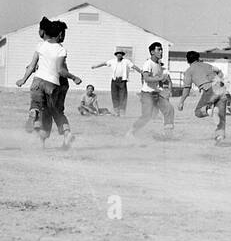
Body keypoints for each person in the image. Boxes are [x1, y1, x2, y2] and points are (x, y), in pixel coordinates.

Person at [15, 17, 81, 149]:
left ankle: (34, 114)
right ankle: (64, 134)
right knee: (55, 111)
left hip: (37, 81)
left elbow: (32, 66)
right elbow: (61, 70)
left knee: (38, 107)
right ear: (60, 34)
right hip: (53, 84)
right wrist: (74, 77)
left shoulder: (40, 45)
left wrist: (23, 80)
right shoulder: (61, 49)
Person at [179, 50, 231, 143]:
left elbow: (186, 89)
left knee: (198, 112)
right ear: (198, 59)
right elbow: (220, 72)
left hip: (210, 90)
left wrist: (181, 101)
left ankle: (210, 110)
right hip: (222, 88)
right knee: (221, 117)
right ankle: (220, 137)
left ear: (187, 61)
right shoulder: (207, 65)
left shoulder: (189, 71)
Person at [129, 41, 175, 139]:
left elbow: (158, 80)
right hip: (147, 94)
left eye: (161, 49)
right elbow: (146, 78)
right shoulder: (148, 64)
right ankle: (131, 132)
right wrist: (160, 78)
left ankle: (168, 135)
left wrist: (165, 88)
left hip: (156, 94)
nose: (161, 52)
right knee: (147, 116)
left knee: (169, 109)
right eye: (159, 49)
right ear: (152, 52)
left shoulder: (158, 65)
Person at [91, 49, 139, 116]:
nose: (119, 55)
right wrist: (96, 66)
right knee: (114, 96)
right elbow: (104, 63)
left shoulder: (126, 61)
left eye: (120, 54)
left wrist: (141, 72)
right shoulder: (112, 61)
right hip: (114, 80)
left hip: (122, 80)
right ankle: (116, 112)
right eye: (118, 54)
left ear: (122, 55)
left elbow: (134, 66)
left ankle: (122, 112)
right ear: (116, 55)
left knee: (123, 96)